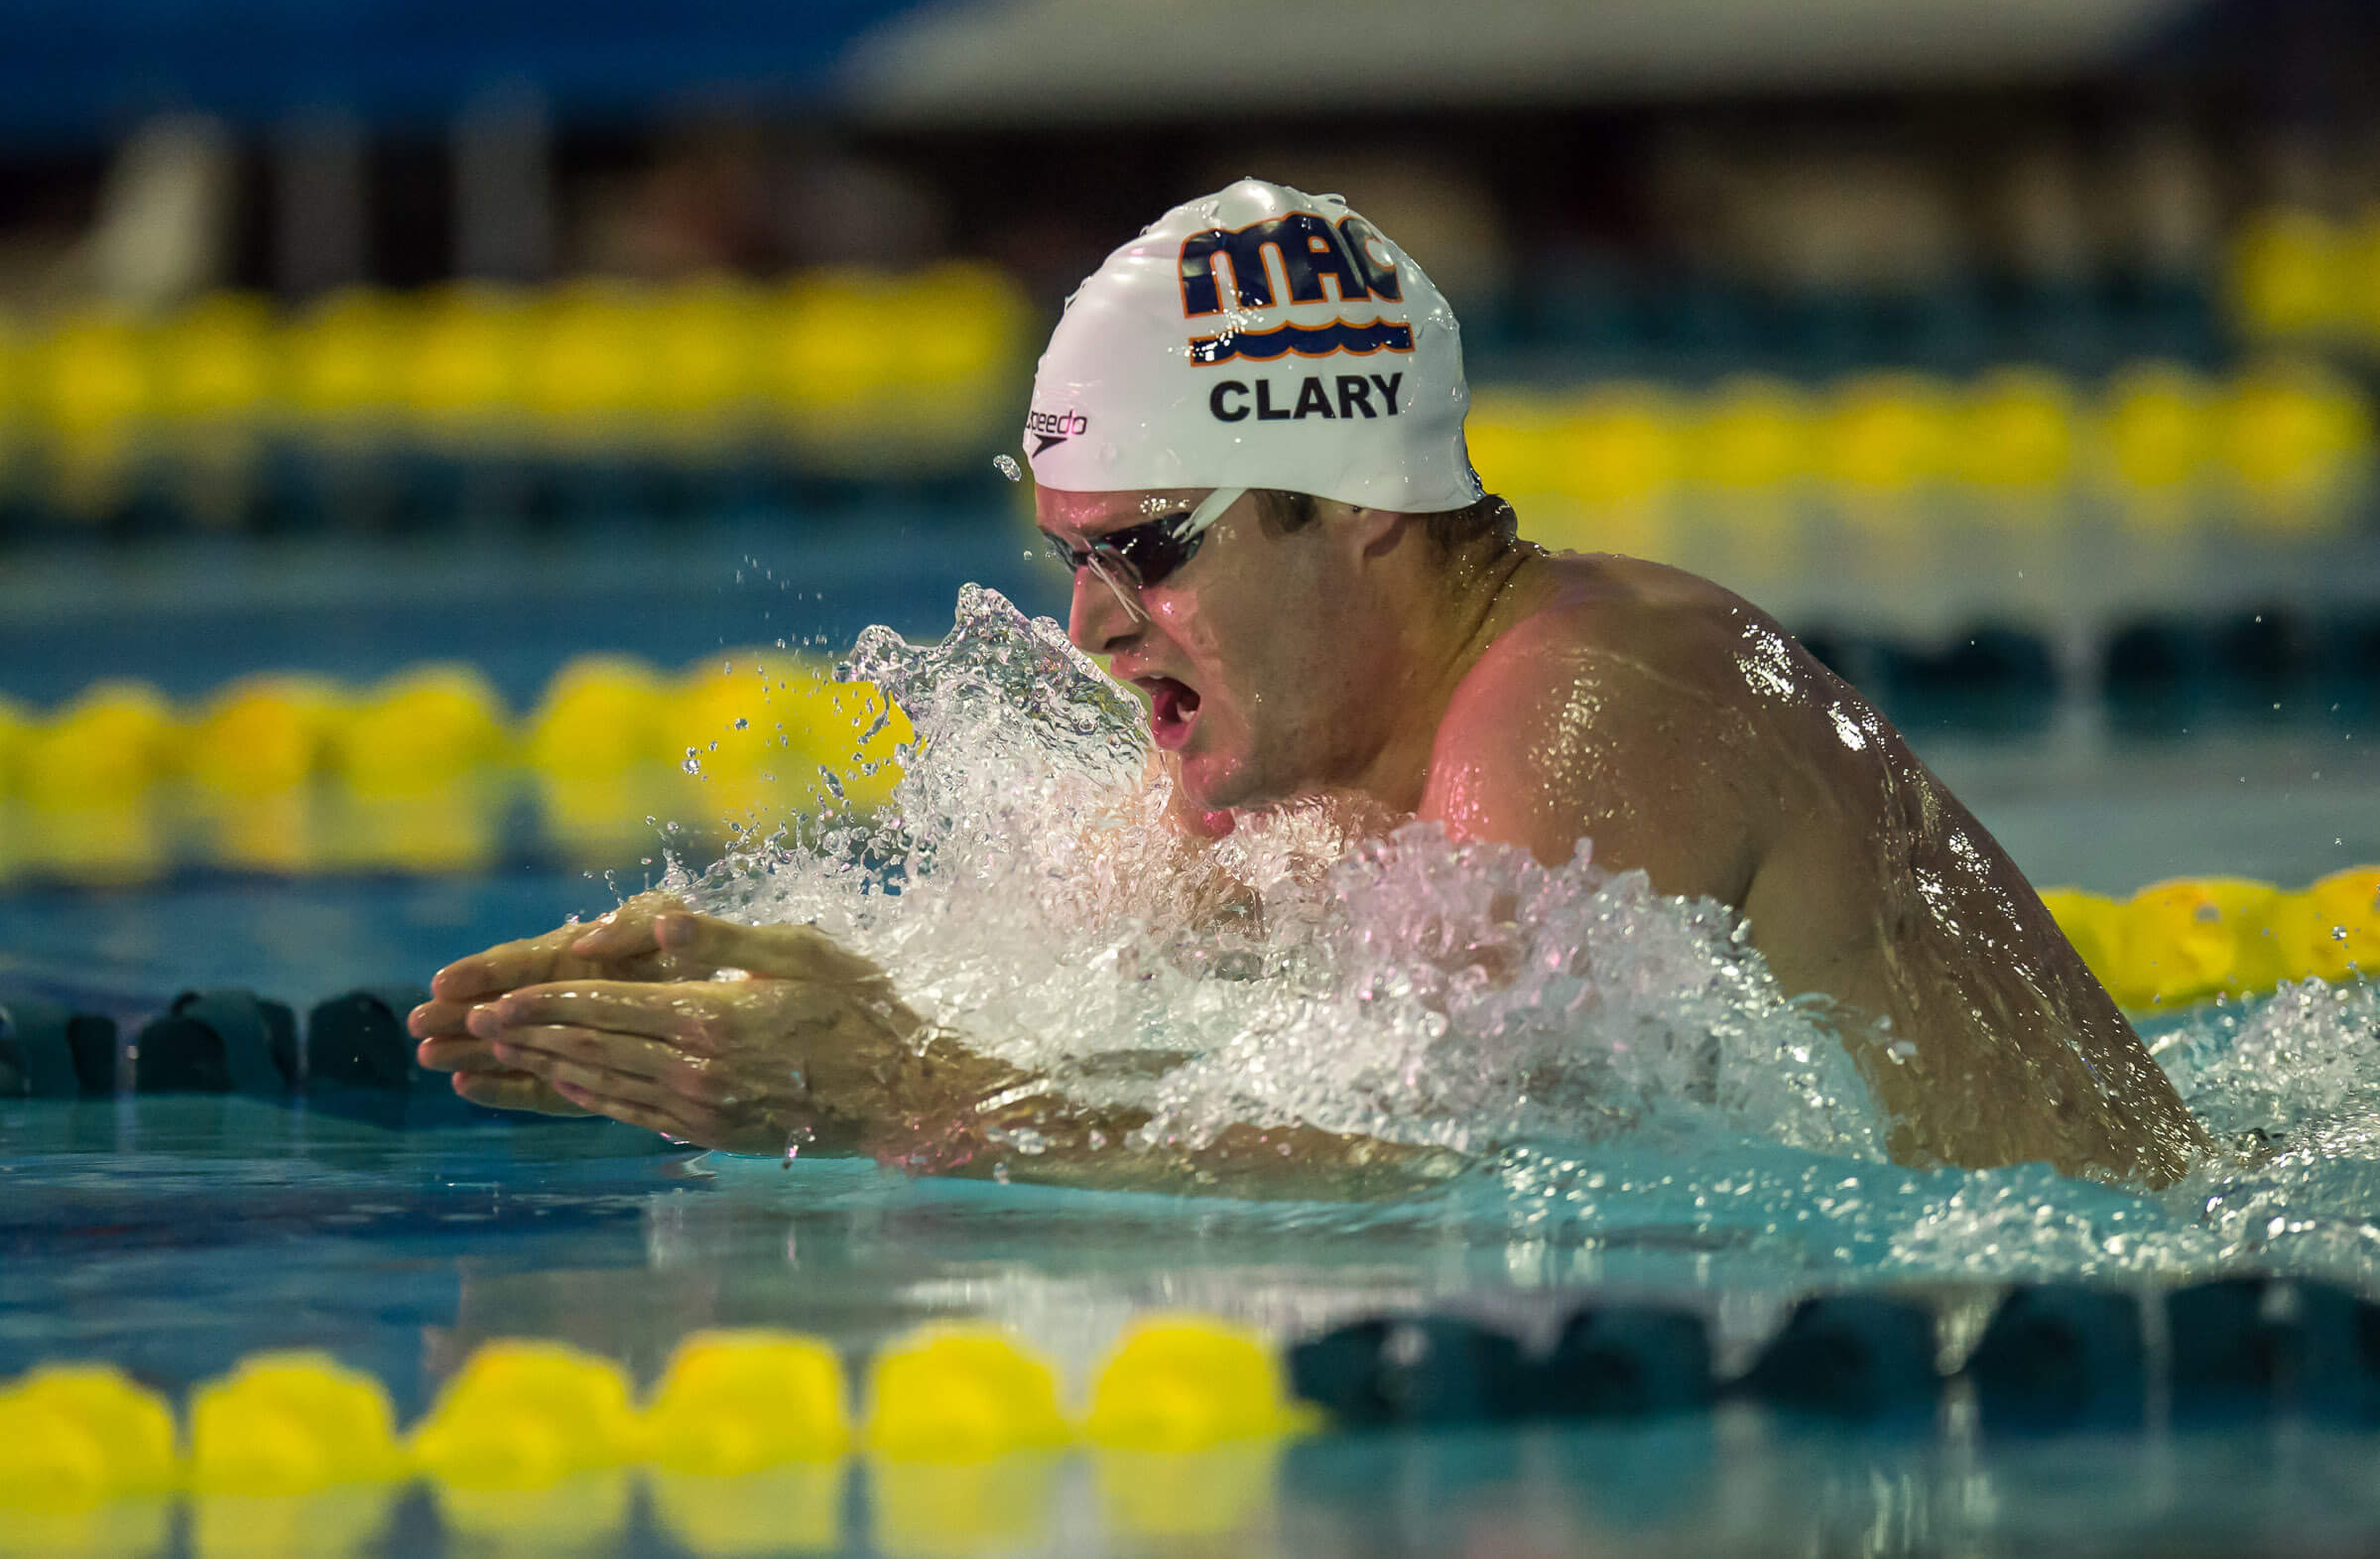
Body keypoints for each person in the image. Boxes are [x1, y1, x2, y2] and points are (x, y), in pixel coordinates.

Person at [410, 179, 2211, 1189]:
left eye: (1152, 551)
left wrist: (899, 1098)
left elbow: (1426, 1173)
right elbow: (1051, 1007)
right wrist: (755, 987)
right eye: (1072, 556)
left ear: (1352, 509)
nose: (1094, 630)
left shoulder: (1581, 709)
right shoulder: (1307, 765)